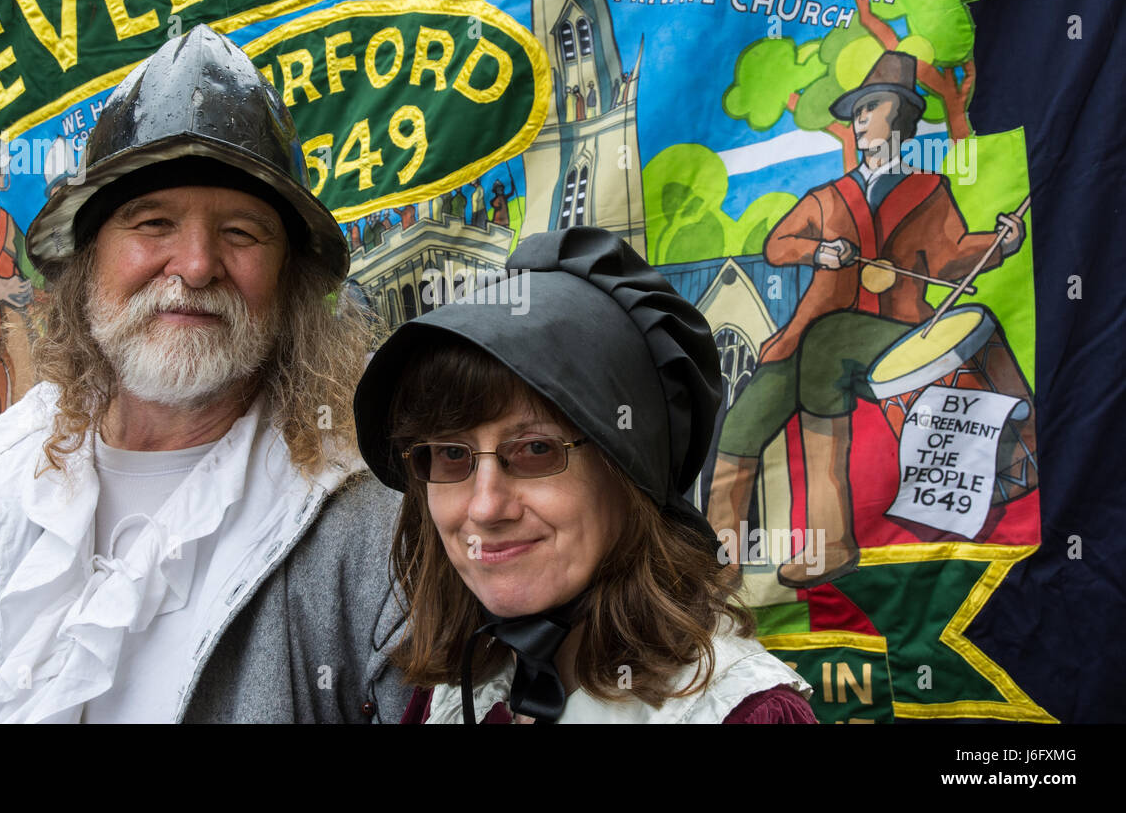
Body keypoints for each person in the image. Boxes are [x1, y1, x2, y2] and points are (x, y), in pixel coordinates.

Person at [0, 24, 407, 723]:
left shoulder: (375, 535)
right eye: (152, 224)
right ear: (87, 265)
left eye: (241, 232)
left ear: (290, 280)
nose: (197, 265)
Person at [354, 226, 815, 723]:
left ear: (629, 468)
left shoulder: (744, 714)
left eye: (535, 449)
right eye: (451, 453)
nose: (485, 508)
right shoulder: (453, 690)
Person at [707, 52, 1026, 587]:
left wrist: (1000, 245)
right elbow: (778, 244)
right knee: (742, 418)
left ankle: (829, 543)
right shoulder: (829, 195)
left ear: (898, 116)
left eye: (870, 107)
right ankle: (720, 562)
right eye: (855, 111)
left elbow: (951, 258)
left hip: (896, 336)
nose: (859, 119)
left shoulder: (929, 192)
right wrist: (818, 252)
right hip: (814, 343)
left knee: (830, 340)